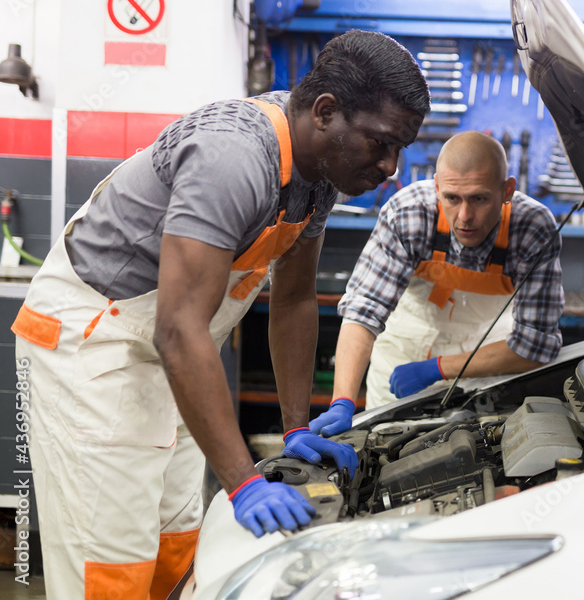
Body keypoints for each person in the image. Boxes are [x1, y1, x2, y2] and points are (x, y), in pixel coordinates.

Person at [10, 30, 429, 599]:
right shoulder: (233, 157)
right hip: (96, 348)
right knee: (110, 564)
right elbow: (178, 327)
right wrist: (243, 482)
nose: (391, 166)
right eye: (381, 143)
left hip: (171, 352)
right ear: (326, 112)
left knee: (177, 541)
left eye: (400, 148)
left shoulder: (318, 172)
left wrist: (295, 427)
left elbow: (294, 299)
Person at [310, 130, 564, 438]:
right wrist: (342, 401)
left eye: (479, 198)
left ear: (506, 191)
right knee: (388, 446)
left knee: (482, 449)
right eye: (452, 198)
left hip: (488, 363)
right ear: (437, 188)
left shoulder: (533, 228)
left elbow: (535, 345)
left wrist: (438, 368)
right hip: (403, 357)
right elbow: (364, 312)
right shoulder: (408, 213)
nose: (465, 217)